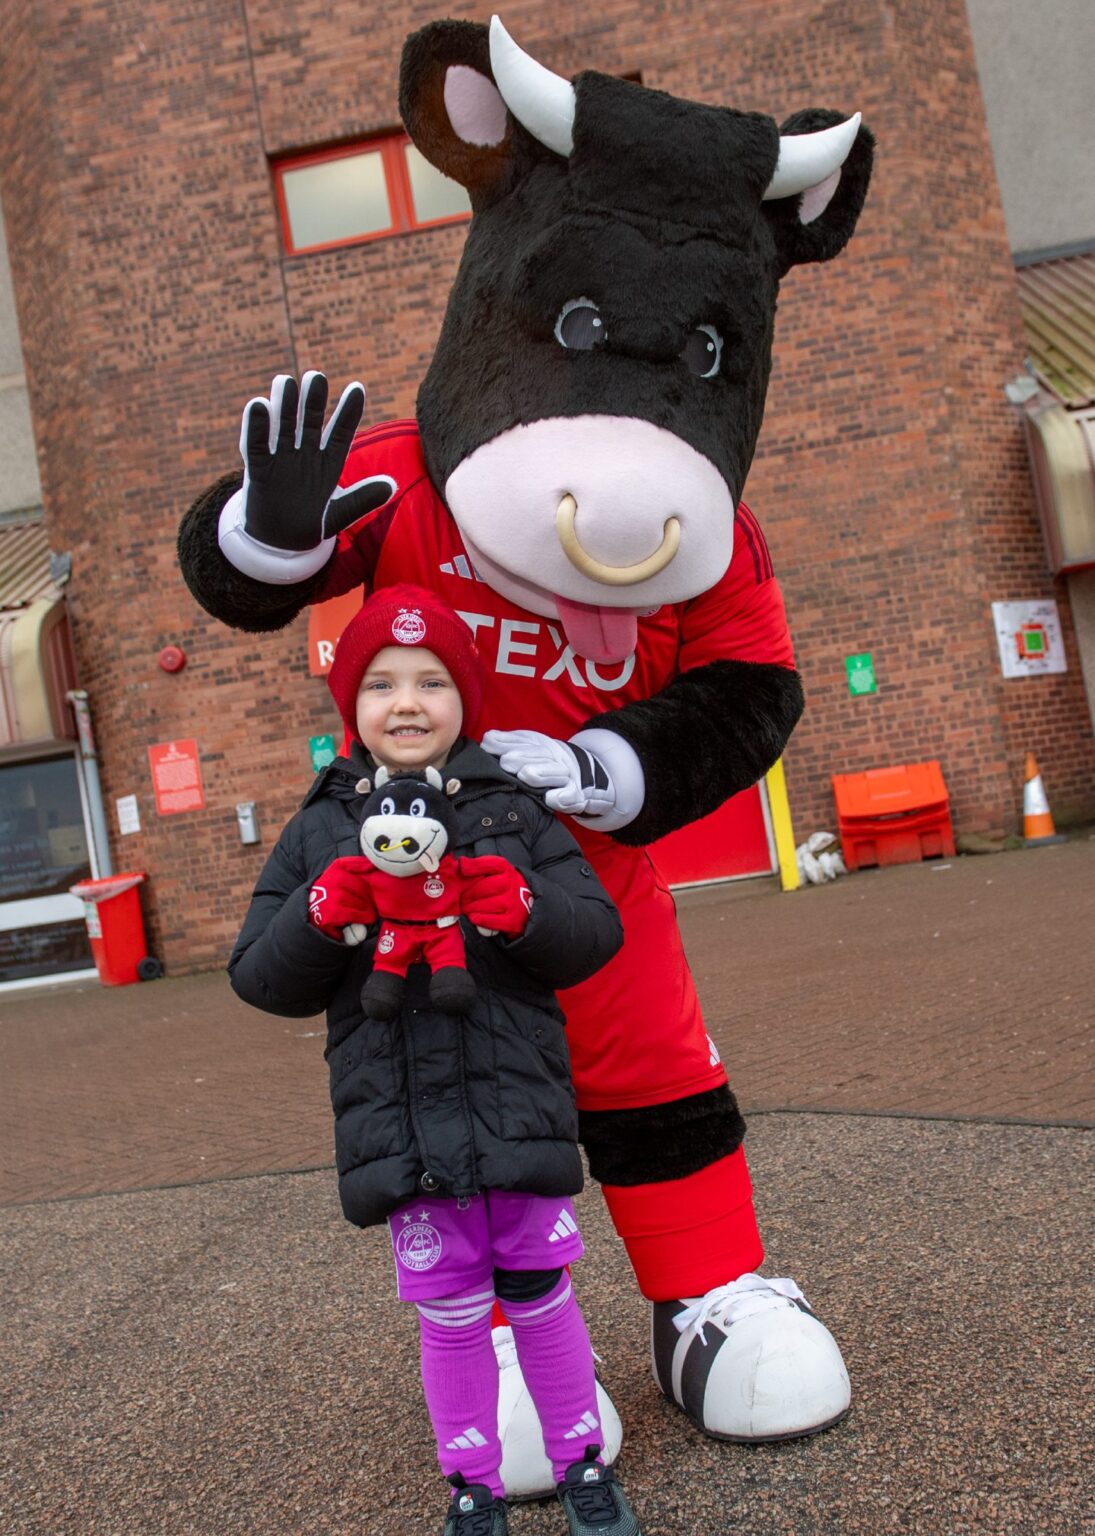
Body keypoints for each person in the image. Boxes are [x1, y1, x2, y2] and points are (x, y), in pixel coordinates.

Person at [227, 584, 643, 1536]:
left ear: (465, 701)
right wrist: (322, 914)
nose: (406, 702)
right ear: (351, 709)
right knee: (451, 1316)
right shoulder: (320, 827)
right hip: (402, 1126)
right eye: (379, 684)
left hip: (514, 1110)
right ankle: (473, 1488)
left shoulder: (512, 808)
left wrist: (526, 910)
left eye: (431, 681)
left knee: (540, 1297)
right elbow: (258, 975)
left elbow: (594, 934)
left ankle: (582, 1464)